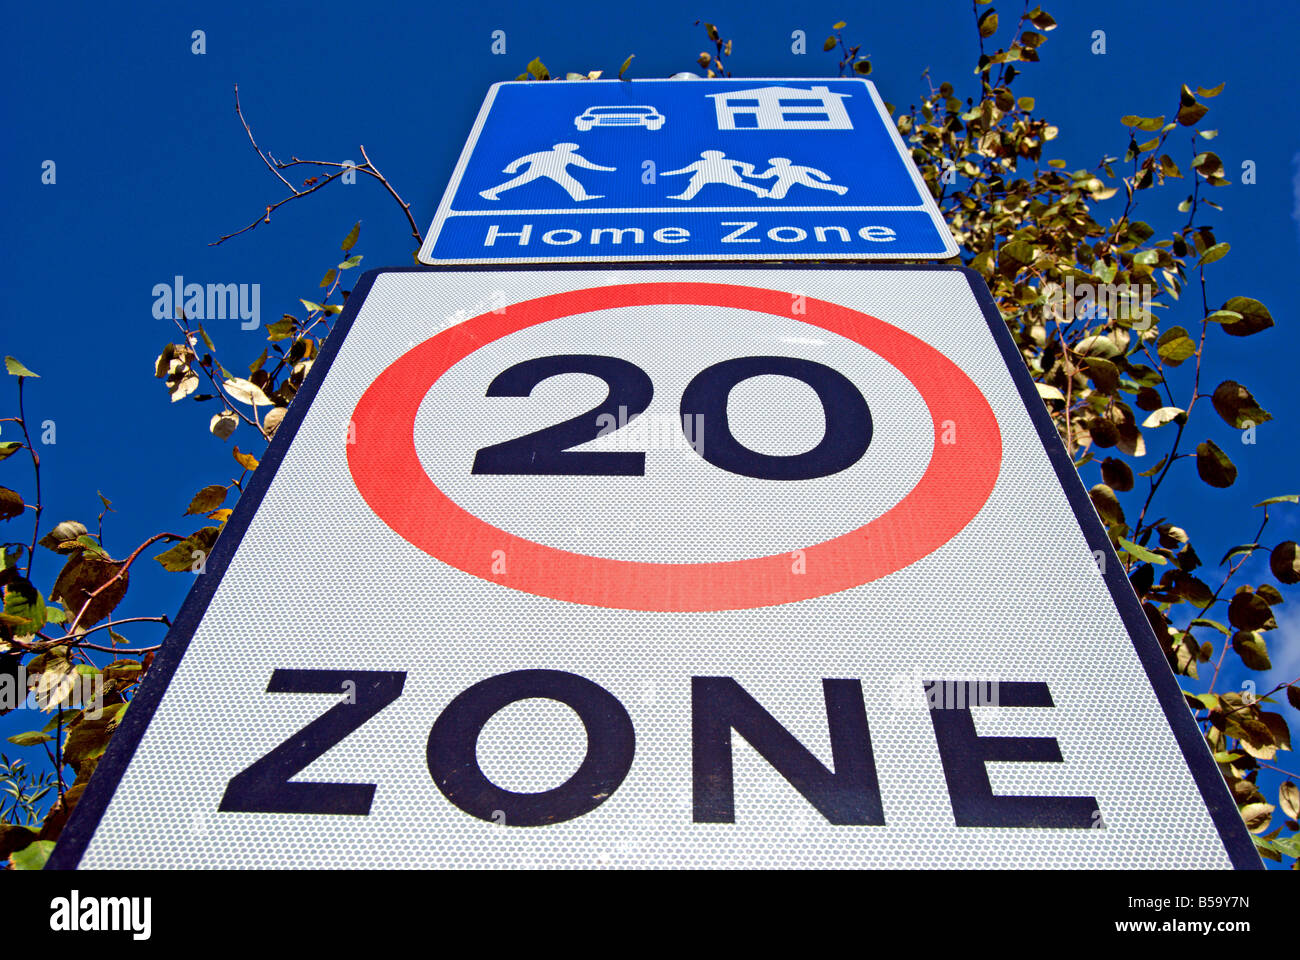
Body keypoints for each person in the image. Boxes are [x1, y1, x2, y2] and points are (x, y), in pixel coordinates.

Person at [479, 143, 615, 201]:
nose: (569, 148)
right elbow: (524, 159)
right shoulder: (545, 153)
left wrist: (608, 169)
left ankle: (581, 197)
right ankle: (489, 192)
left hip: (555, 172)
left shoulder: (572, 156)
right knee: (516, 182)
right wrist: (510, 168)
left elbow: (588, 165)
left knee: (571, 183)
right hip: (539, 170)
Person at [662, 150, 769, 200]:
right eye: (708, 155)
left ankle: (760, 190)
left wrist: (747, 172)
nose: (710, 156)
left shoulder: (726, 162)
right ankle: (686, 196)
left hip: (726, 175)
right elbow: (684, 170)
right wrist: (668, 174)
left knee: (740, 184)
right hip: (706, 176)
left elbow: (747, 165)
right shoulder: (700, 163)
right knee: (696, 183)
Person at [754, 157, 848, 199]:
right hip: (786, 180)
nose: (778, 164)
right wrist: (748, 174)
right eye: (776, 162)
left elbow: (811, 170)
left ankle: (839, 188)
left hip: (800, 177)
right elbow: (763, 177)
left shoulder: (795, 168)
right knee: (781, 185)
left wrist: (823, 176)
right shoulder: (773, 169)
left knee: (816, 185)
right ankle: (775, 195)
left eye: (780, 162)